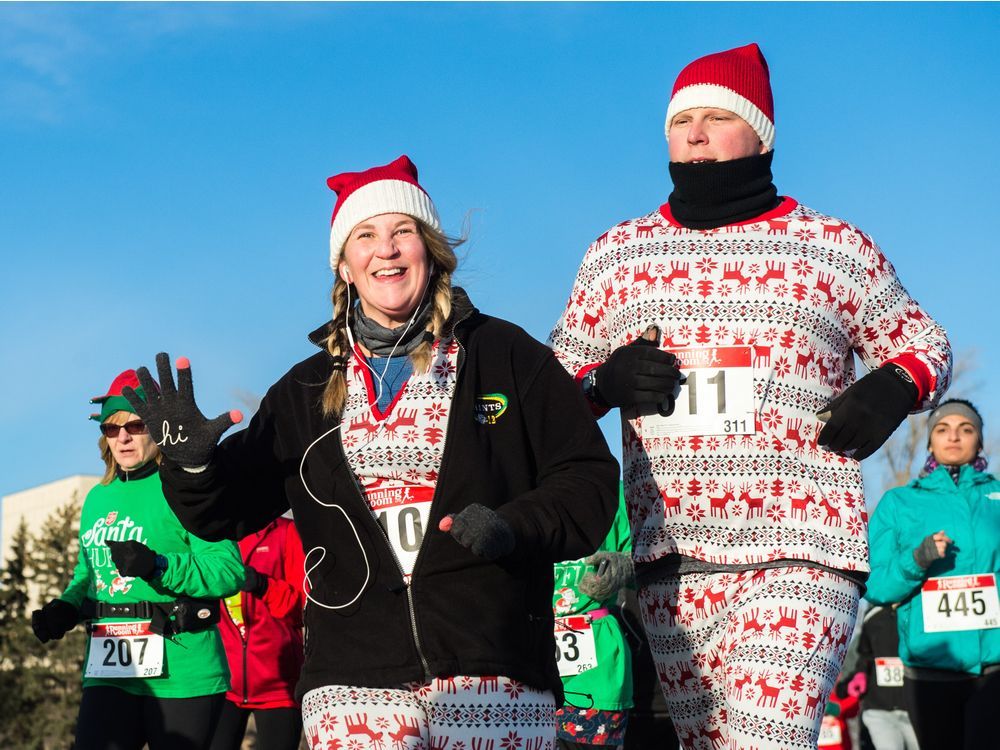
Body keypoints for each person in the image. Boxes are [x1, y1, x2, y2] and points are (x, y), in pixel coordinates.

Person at [125, 155, 619, 748]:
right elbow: (218, 513)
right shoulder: (303, 393)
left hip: (493, 664)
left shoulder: (507, 355)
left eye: (402, 232)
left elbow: (587, 481)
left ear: (430, 249)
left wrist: (513, 527)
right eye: (366, 236)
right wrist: (192, 465)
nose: (385, 249)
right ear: (345, 266)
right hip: (352, 677)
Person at [548, 43, 952, 749]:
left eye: (716, 117)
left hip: (801, 548)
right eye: (682, 121)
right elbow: (553, 395)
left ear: (760, 133)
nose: (696, 134)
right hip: (672, 561)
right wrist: (604, 381)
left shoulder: (831, 247)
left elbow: (925, 345)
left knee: (769, 738)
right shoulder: (617, 255)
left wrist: (893, 384)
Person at [30, 369, 245, 750]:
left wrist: (159, 566)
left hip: (183, 671)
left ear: (158, 429)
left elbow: (228, 570)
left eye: (136, 425)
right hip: (109, 669)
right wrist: (67, 606)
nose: (123, 436)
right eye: (112, 429)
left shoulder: (185, 486)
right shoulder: (99, 496)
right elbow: (89, 570)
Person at [866, 398, 999, 750]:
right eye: (942, 429)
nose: (953, 436)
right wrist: (918, 559)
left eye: (966, 429)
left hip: (995, 667)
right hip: (929, 670)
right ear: (929, 443)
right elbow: (876, 585)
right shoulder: (899, 503)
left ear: (979, 441)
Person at [210, 516, 306, 750]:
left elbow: (302, 609)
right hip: (224, 683)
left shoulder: (285, 531)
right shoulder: (212, 533)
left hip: (278, 685)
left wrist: (263, 585)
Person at [553, 487, 634, 748]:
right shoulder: (509, 487)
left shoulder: (616, 496)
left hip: (595, 670)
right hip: (521, 663)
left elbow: (657, 562)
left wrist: (625, 567)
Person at [837, 605, 919, 750]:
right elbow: (863, 655)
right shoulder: (872, 616)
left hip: (915, 710)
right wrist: (858, 675)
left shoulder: (918, 609)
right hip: (879, 710)